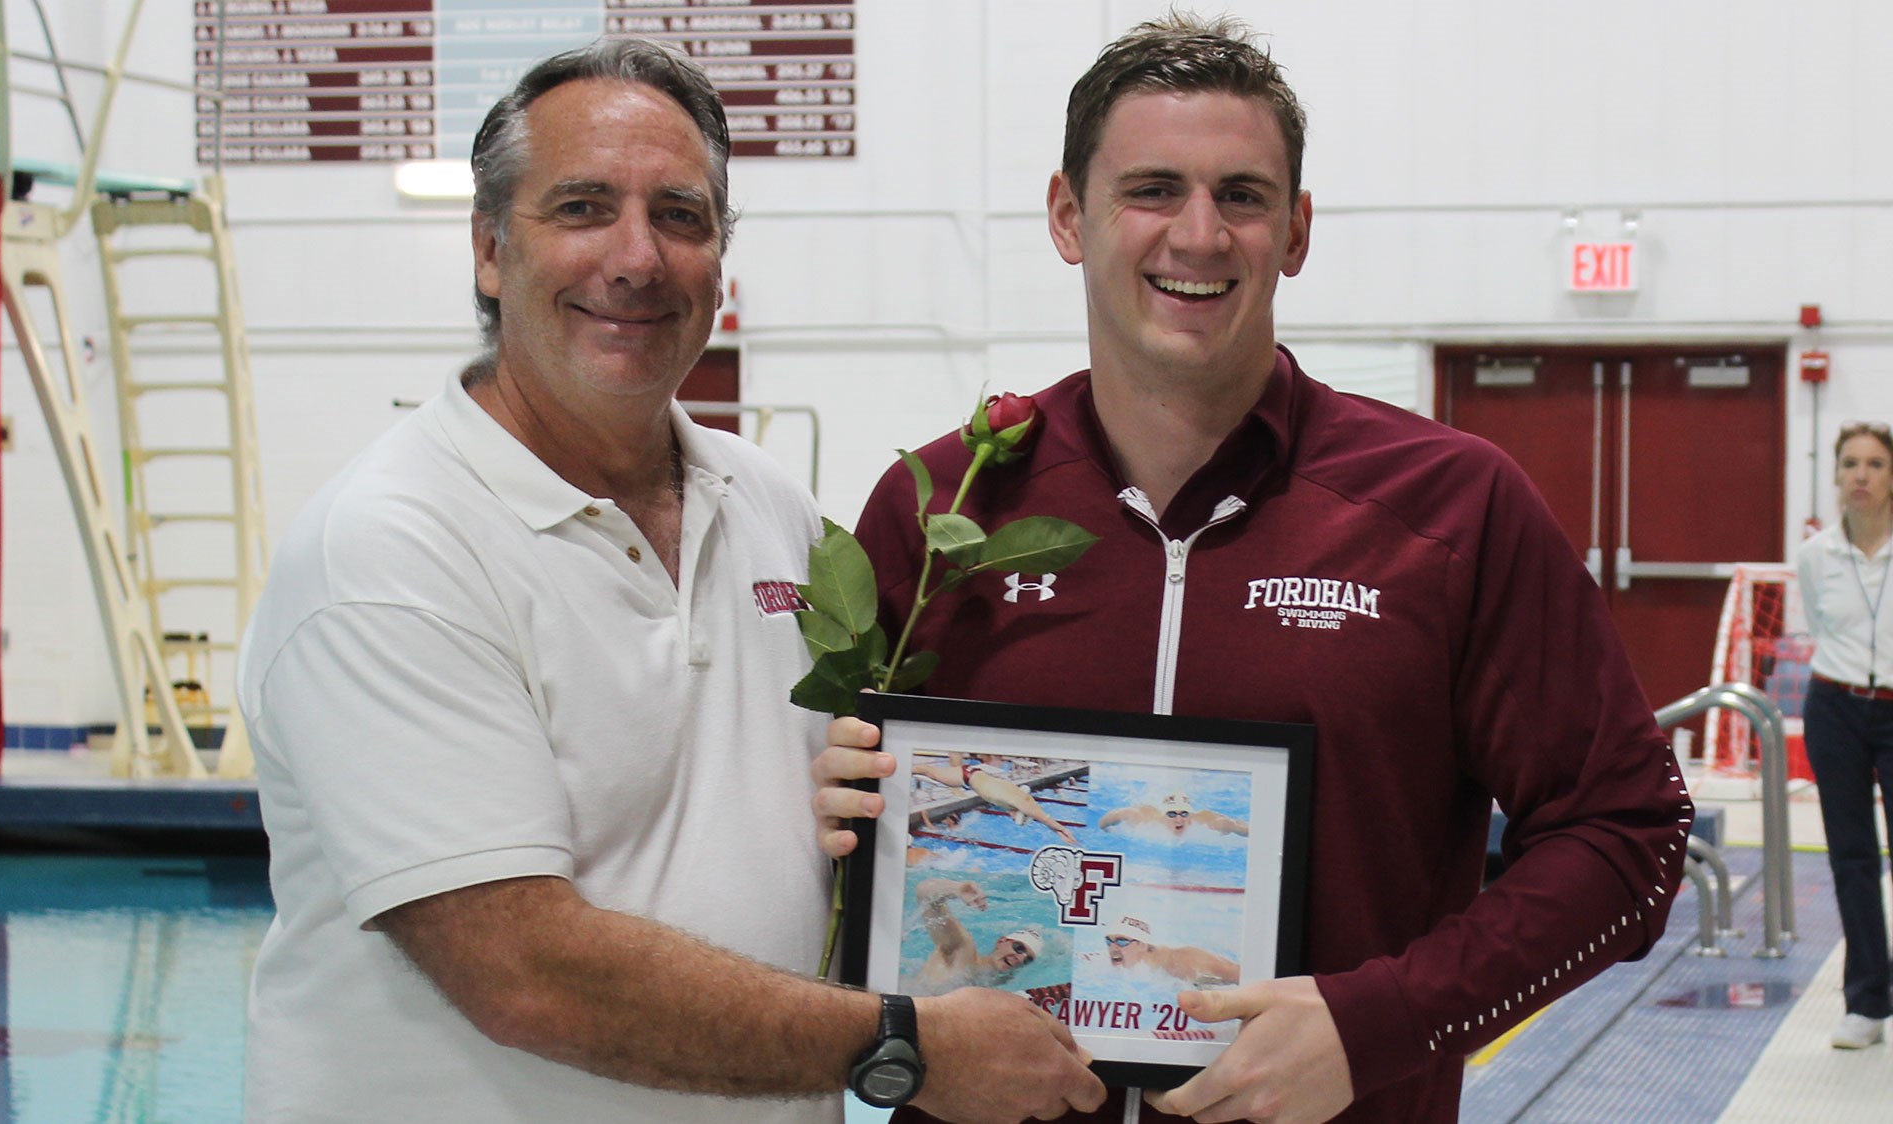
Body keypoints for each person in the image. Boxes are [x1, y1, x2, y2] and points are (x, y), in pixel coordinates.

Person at [812, 14, 1690, 1123]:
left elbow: (1629, 836)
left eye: (1240, 195)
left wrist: (1383, 1021)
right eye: (1151, 190)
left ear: (1295, 229)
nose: (1199, 234)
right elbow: (822, 850)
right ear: (1067, 216)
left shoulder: (1448, 510)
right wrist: (824, 815)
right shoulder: (948, 505)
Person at [237, 39, 1104, 1124]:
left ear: (719, 258)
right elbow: (522, 971)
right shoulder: (391, 549)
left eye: (681, 217)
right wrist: (905, 1045)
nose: (637, 258)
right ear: (490, 250)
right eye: (583, 208)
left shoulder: (765, 504)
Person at [1798, 420, 1893, 1050]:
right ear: (1835, 474)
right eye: (1851, 463)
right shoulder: (1816, 556)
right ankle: (1866, 1002)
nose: (1862, 475)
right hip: (1835, 707)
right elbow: (1818, 624)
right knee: (1852, 857)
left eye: (1876, 464)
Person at [914, 754, 1082, 843]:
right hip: (967, 776)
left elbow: (1035, 811)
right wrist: (1062, 831)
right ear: (1020, 812)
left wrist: (1057, 831)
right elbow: (1043, 817)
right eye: (1016, 818)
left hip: (974, 775)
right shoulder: (1019, 802)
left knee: (929, 771)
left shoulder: (1013, 802)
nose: (1012, 818)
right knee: (928, 771)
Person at [913, 878, 1044, 991]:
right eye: (1019, 948)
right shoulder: (962, 951)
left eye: (1028, 960)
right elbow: (924, 891)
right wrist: (956, 889)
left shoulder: (997, 982)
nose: (1020, 958)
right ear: (1002, 941)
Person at [1102, 916, 1240, 985]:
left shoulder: (1184, 961)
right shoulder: (1106, 963)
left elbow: (1240, 975)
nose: (1113, 948)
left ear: (1142, 945)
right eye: (1109, 941)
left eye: (1122, 941)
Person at [1098, 792, 1247, 837]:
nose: (1179, 819)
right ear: (1163, 817)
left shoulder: (1204, 821)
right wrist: (1105, 829)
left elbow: (1247, 830)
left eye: (1184, 813)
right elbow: (1113, 816)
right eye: (1171, 814)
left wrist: (1233, 827)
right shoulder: (1145, 819)